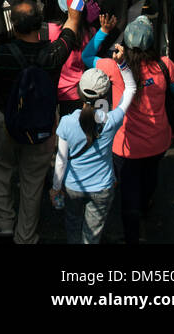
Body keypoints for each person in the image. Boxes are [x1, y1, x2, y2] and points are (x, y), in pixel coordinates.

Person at [0, 0, 83, 245]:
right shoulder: (52, 53)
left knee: (1, 171)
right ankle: (25, 235)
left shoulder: (3, 55)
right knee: (33, 181)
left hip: (6, 121)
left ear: (14, 26)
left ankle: (4, 225)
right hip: (42, 127)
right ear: (39, 24)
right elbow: (71, 28)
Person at [95, 14, 174, 244]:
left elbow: (86, 57)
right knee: (150, 174)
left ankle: (132, 236)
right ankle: (146, 204)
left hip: (125, 147)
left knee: (128, 190)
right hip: (159, 140)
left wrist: (103, 31)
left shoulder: (113, 67)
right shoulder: (165, 65)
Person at [52, 61, 137, 245]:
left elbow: (61, 161)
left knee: (73, 223)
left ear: (79, 93)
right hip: (102, 187)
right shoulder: (112, 120)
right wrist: (122, 65)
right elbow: (131, 88)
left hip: (73, 187)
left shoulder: (67, 122)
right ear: (105, 96)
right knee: (92, 234)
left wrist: (56, 187)